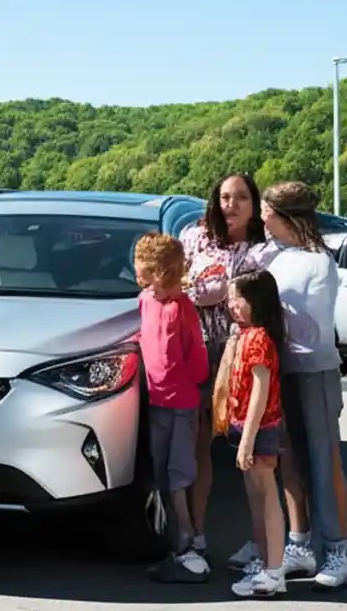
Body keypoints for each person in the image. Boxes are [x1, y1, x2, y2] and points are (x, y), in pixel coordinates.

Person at [260, 181, 347, 589]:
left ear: (284, 217)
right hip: (282, 368)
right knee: (289, 459)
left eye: (267, 214)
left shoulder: (319, 261)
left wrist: (273, 314)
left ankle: (337, 550)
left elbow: (312, 325)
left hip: (314, 370)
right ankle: (299, 544)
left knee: (323, 458)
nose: (262, 221)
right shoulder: (280, 259)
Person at [178, 173, 267, 562]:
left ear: (254, 206)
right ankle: (196, 534)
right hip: (195, 350)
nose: (231, 204)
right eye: (225, 197)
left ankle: (261, 540)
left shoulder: (260, 251)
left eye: (241, 198)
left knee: (248, 447)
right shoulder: (194, 237)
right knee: (199, 445)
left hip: (237, 353)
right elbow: (176, 281)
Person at [133, 232, 212, 583]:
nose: (139, 276)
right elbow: (143, 338)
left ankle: (187, 543)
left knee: (179, 474)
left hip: (180, 403)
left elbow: (197, 359)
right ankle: (175, 543)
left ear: (161, 270)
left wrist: (186, 381)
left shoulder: (182, 308)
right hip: (158, 401)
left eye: (144, 270)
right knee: (162, 473)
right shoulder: (145, 300)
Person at [219, 270, 288, 598]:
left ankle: (274, 569)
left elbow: (260, 391)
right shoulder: (245, 335)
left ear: (257, 301)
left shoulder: (259, 338)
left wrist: (247, 438)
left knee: (266, 494)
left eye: (239, 298)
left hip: (259, 427)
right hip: (245, 424)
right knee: (255, 496)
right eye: (231, 298)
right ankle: (265, 562)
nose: (233, 304)